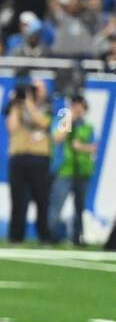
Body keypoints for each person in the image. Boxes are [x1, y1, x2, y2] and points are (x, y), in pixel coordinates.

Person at [5, 79, 53, 244]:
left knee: (42, 200)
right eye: (33, 89)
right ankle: (15, 236)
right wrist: (15, 104)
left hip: (40, 158)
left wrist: (30, 104)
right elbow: (12, 127)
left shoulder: (52, 107)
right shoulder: (18, 107)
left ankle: (44, 236)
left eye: (38, 89)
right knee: (18, 200)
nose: (35, 92)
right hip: (18, 157)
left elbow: (45, 123)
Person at [48, 94, 97, 246]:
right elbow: (58, 138)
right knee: (57, 205)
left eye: (80, 105)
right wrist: (69, 118)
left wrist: (81, 147)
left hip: (83, 170)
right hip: (65, 170)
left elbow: (94, 147)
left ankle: (77, 237)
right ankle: (51, 236)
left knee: (79, 207)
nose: (77, 108)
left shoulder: (87, 126)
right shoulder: (64, 121)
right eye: (74, 105)